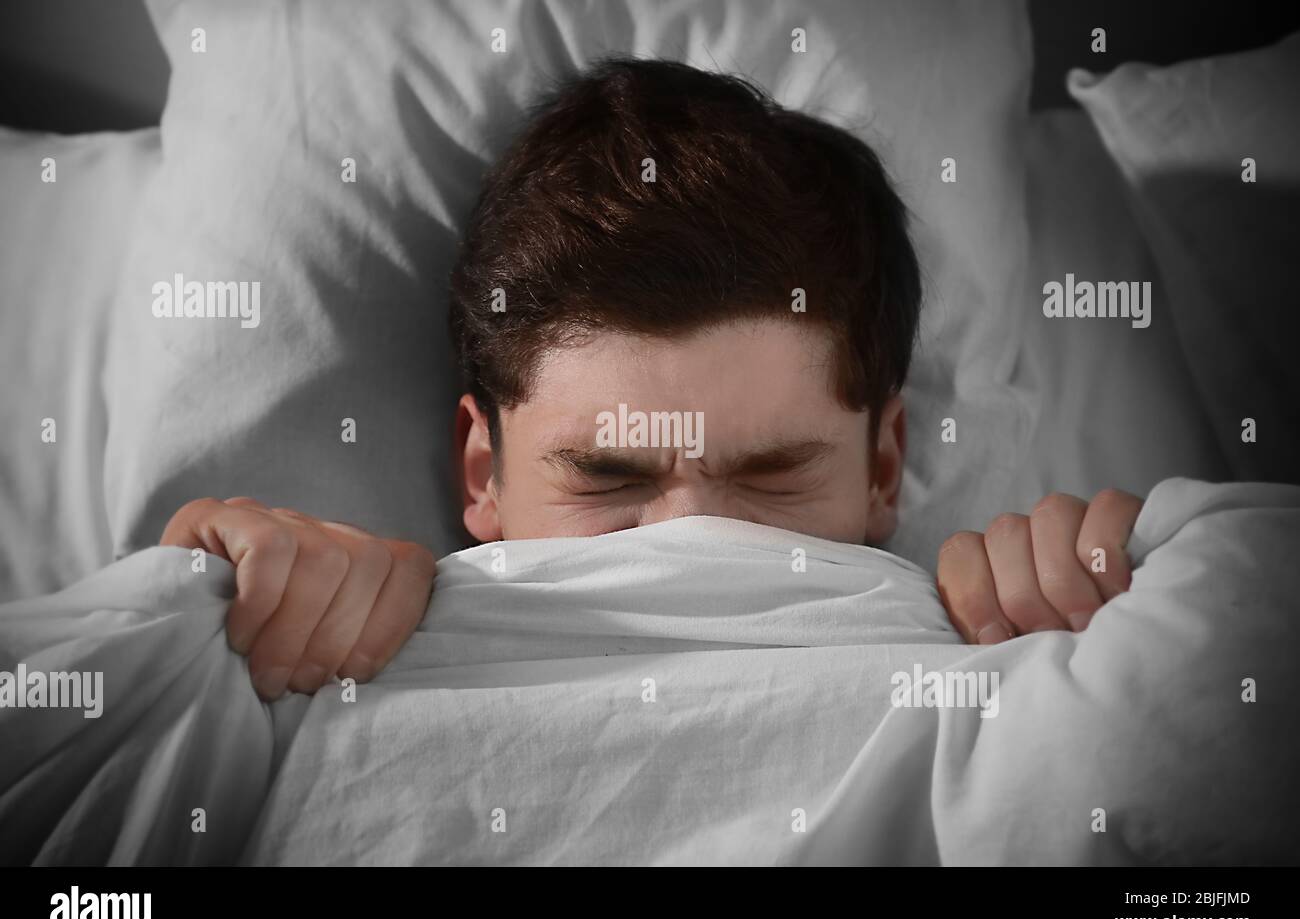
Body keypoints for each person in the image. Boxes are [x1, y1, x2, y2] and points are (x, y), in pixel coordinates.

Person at [160, 58, 1143, 702]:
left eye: (772, 472)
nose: (692, 537)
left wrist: (1139, 586)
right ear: (481, 475)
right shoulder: (313, 663)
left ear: (884, 466)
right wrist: (191, 612)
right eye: (604, 474)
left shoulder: (1025, 659)